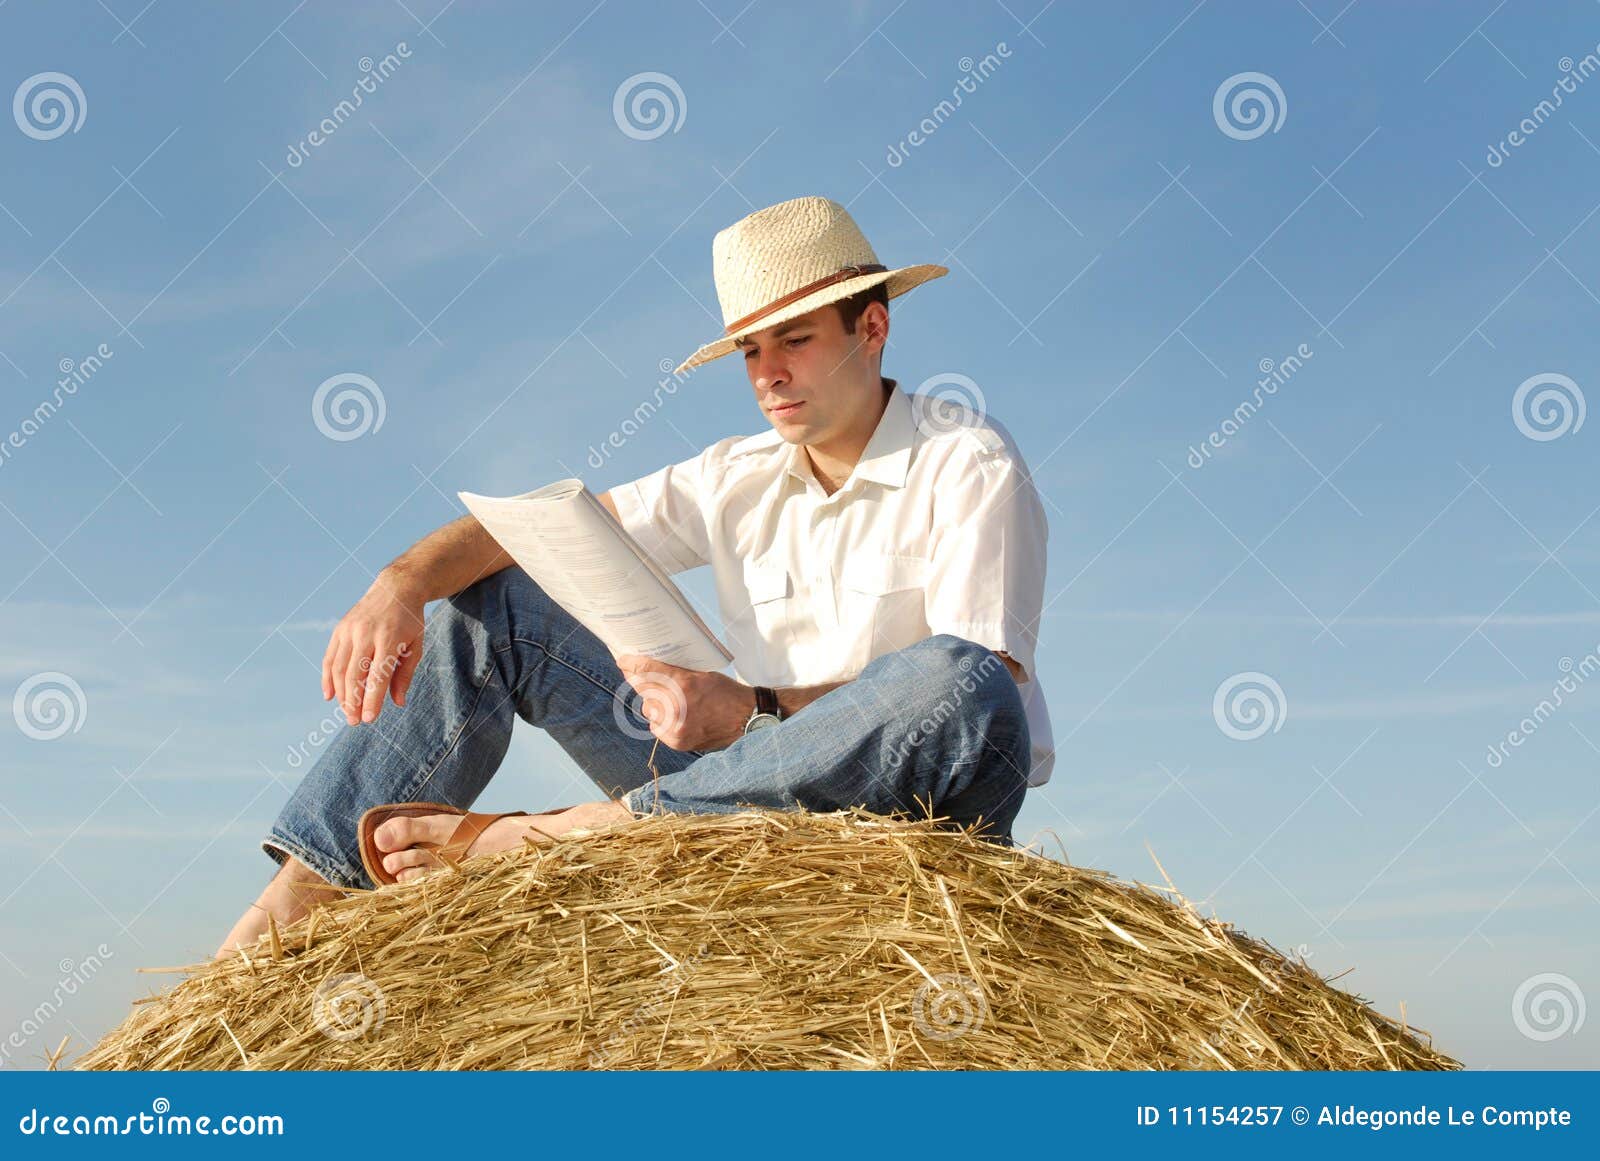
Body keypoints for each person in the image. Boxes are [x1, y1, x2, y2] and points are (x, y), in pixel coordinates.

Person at [216, 195, 1055, 958]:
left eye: (796, 341)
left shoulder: (965, 460)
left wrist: (755, 704)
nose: (768, 375)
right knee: (497, 603)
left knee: (960, 674)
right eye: (751, 351)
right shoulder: (735, 474)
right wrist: (398, 582)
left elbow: (974, 704)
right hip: (728, 786)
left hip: (903, 813)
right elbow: (531, 535)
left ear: (871, 328)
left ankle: (582, 833)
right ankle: (302, 896)